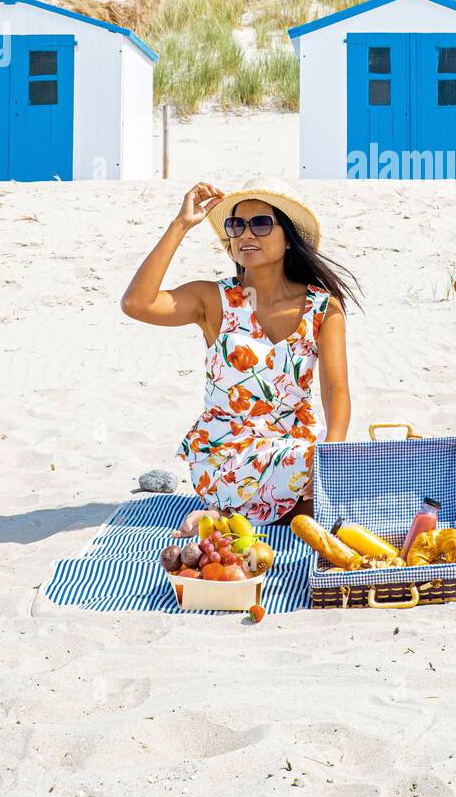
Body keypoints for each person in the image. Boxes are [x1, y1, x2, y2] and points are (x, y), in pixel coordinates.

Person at [120, 178, 358, 534]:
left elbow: (336, 388)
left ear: (289, 237)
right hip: (226, 452)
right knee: (327, 487)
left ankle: (231, 518)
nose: (246, 234)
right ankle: (243, 512)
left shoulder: (322, 306)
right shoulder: (213, 299)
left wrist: (333, 455)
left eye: (261, 223)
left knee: (358, 469)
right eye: (236, 225)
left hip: (294, 441)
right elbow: (136, 304)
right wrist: (181, 225)